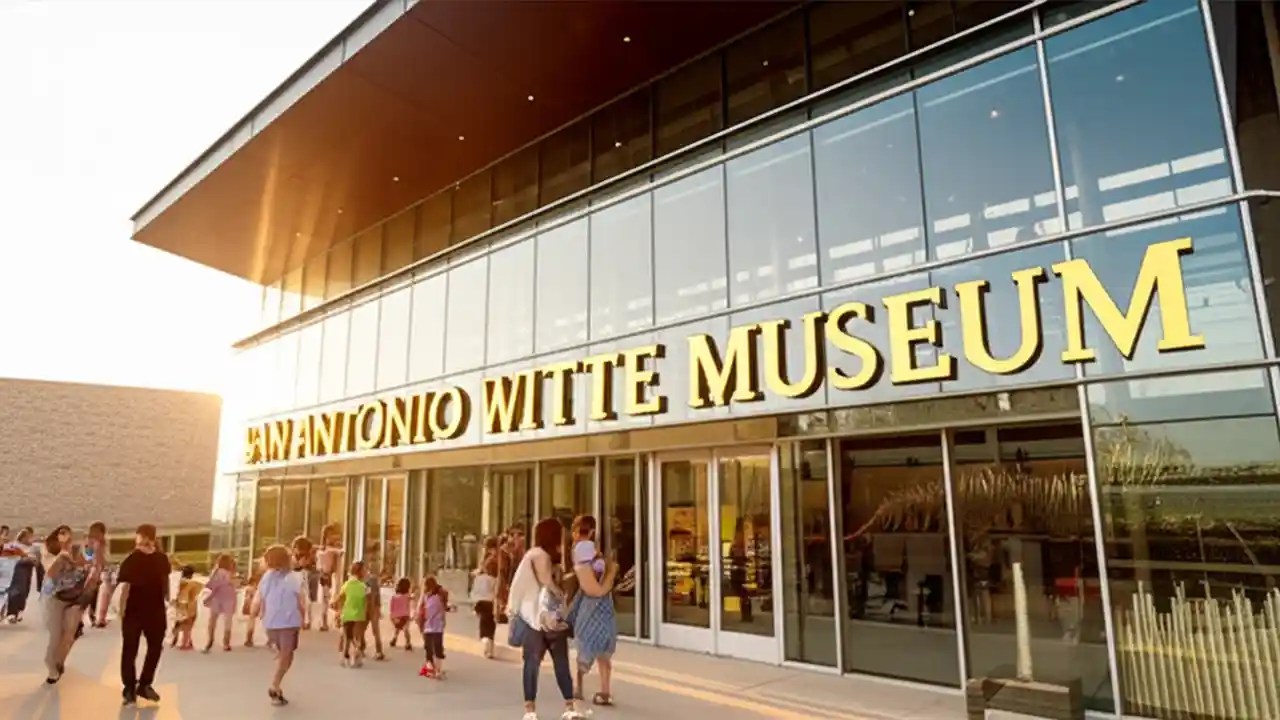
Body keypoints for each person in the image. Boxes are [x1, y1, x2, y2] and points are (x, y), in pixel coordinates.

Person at [509, 518, 587, 720]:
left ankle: (531, 710)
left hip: (537, 617)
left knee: (533, 663)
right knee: (553, 661)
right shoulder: (539, 555)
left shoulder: (536, 555)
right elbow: (547, 584)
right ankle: (566, 707)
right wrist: (562, 596)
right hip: (538, 616)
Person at [567, 515, 619, 708]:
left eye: (587, 531)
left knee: (601, 647)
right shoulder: (582, 552)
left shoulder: (591, 551)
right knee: (587, 645)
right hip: (592, 604)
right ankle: (581, 686)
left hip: (600, 605)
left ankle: (602, 690)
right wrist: (611, 574)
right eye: (581, 531)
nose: (584, 536)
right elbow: (595, 591)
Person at [118, 524, 171, 706]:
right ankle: (133, 687)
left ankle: (139, 686)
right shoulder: (134, 558)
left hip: (148, 611)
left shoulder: (158, 559)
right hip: (140, 611)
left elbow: (165, 583)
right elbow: (124, 586)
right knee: (136, 649)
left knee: (147, 648)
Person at [255, 544, 305, 706]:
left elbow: (262, 597)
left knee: (285, 653)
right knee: (287, 655)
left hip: (271, 622)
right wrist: (304, 617)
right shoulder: (294, 578)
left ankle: (277, 682)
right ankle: (275, 685)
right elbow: (300, 600)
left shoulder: (266, 577)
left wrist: (261, 613)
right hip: (289, 622)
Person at [42, 526, 83, 685]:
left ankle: (59, 661)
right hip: (55, 598)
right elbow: (50, 574)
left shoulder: (76, 551)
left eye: (68, 534)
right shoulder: (49, 552)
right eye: (61, 533)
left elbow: (87, 566)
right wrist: (61, 558)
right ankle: (51, 665)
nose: (66, 537)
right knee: (56, 634)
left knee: (71, 633)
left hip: (74, 598)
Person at [334, 560, 368, 667]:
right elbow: (367, 601)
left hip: (347, 614)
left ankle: (345, 657)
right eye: (365, 570)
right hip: (359, 616)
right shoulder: (363, 587)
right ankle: (356, 657)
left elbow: (339, 598)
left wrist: (338, 610)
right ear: (360, 572)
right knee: (356, 637)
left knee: (347, 637)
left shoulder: (347, 585)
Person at [201, 553, 237, 653]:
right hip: (230, 596)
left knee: (212, 620)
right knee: (228, 620)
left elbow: (214, 586)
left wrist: (208, 597)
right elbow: (234, 584)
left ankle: (210, 641)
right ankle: (226, 643)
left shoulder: (217, 572)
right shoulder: (231, 573)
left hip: (217, 597)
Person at [417, 575, 447, 679]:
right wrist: (443, 622)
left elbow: (421, 612)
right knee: (438, 650)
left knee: (429, 650)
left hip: (428, 628)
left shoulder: (425, 598)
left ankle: (430, 670)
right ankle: (438, 671)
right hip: (438, 628)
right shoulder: (439, 598)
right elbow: (443, 612)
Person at [4, 528, 36, 623]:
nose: (31, 539)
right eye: (29, 537)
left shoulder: (32, 548)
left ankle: (18, 611)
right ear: (23, 537)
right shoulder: (14, 546)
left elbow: (36, 560)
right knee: (16, 591)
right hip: (17, 571)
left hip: (27, 571)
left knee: (24, 592)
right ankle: (11, 613)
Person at [316, 524, 343, 632]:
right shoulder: (324, 550)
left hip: (334, 576)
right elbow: (320, 564)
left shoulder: (335, 550)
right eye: (330, 535)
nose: (333, 537)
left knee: (335, 598)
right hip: (325, 576)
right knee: (325, 600)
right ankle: (324, 622)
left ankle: (336, 619)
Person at [290, 536, 319, 630]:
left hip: (302, 577)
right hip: (296, 577)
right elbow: (296, 566)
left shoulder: (305, 556)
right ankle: (303, 621)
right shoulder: (293, 557)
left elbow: (308, 565)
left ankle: (306, 621)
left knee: (306, 601)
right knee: (301, 601)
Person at [471, 557, 498, 658]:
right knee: (491, 626)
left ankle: (485, 643)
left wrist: (474, 605)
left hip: (479, 602)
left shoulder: (478, 578)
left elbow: (474, 591)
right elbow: (496, 594)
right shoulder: (494, 580)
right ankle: (490, 649)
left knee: (483, 625)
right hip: (490, 603)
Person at [88, 521, 113, 629]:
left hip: (93, 570)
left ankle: (94, 616)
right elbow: (99, 558)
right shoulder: (98, 543)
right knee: (97, 594)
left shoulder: (90, 542)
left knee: (94, 594)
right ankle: (96, 617)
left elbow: (88, 557)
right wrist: (103, 567)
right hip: (96, 571)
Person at [170, 565, 201, 650]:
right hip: (193, 607)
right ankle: (188, 642)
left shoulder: (184, 583)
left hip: (185, 607)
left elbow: (183, 596)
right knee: (188, 626)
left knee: (183, 626)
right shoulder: (195, 584)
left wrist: (177, 602)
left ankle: (184, 644)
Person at [362, 565, 385, 660]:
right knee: (375, 630)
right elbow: (377, 595)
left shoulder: (366, 580)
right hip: (373, 607)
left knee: (362, 629)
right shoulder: (373, 580)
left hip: (367, 607)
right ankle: (378, 651)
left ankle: (362, 648)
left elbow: (369, 594)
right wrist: (378, 607)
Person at [242, 558, 266, 647]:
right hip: (265, 597)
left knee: (251, 618)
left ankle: (249, 639)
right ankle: (271, 639)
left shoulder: (256, 576)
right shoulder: (269, 575)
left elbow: (249, 587)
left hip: (255, 597)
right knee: (269, 618)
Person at [388, 577, 413, 651]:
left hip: (395, 617)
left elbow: (391, 608)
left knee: (397, 628)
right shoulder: (407, 596)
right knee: (406, 630)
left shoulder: (394, 597)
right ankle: (408, 643)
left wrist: (392, 617)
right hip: (405, 616)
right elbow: (413, 598)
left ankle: (394, 639)